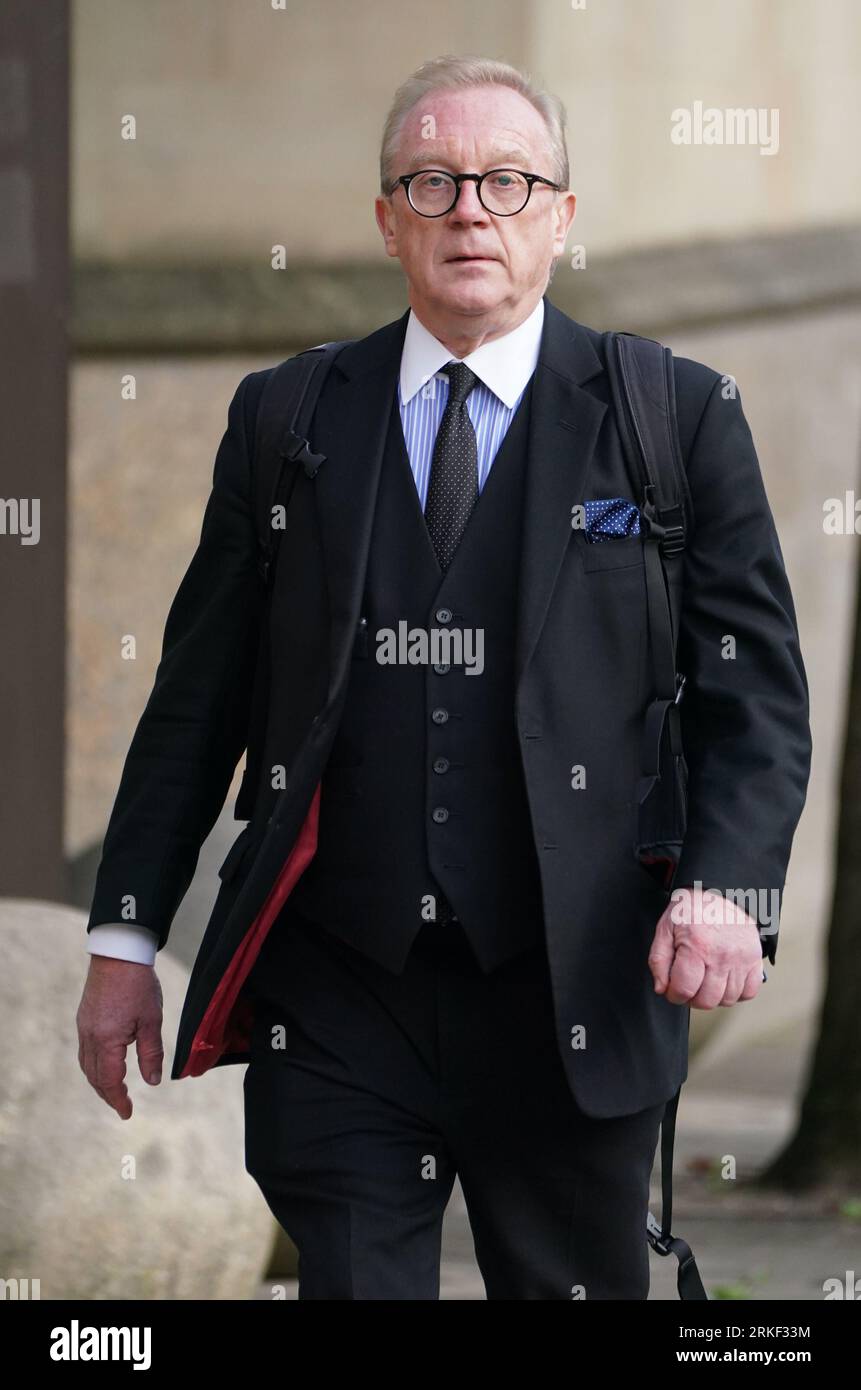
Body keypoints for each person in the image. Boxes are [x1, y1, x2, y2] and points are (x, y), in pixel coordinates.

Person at [77, 54, 812, 1299]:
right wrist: (124, 936)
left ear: (563, 219)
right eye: (433, 181)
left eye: (508, 182)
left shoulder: (671, 418)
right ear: (386, 220)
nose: (471, 209)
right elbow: (198, 698)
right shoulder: (286, 417)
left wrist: (728, 888)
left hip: (572, 985)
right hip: (340, 992)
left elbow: (756, 696)